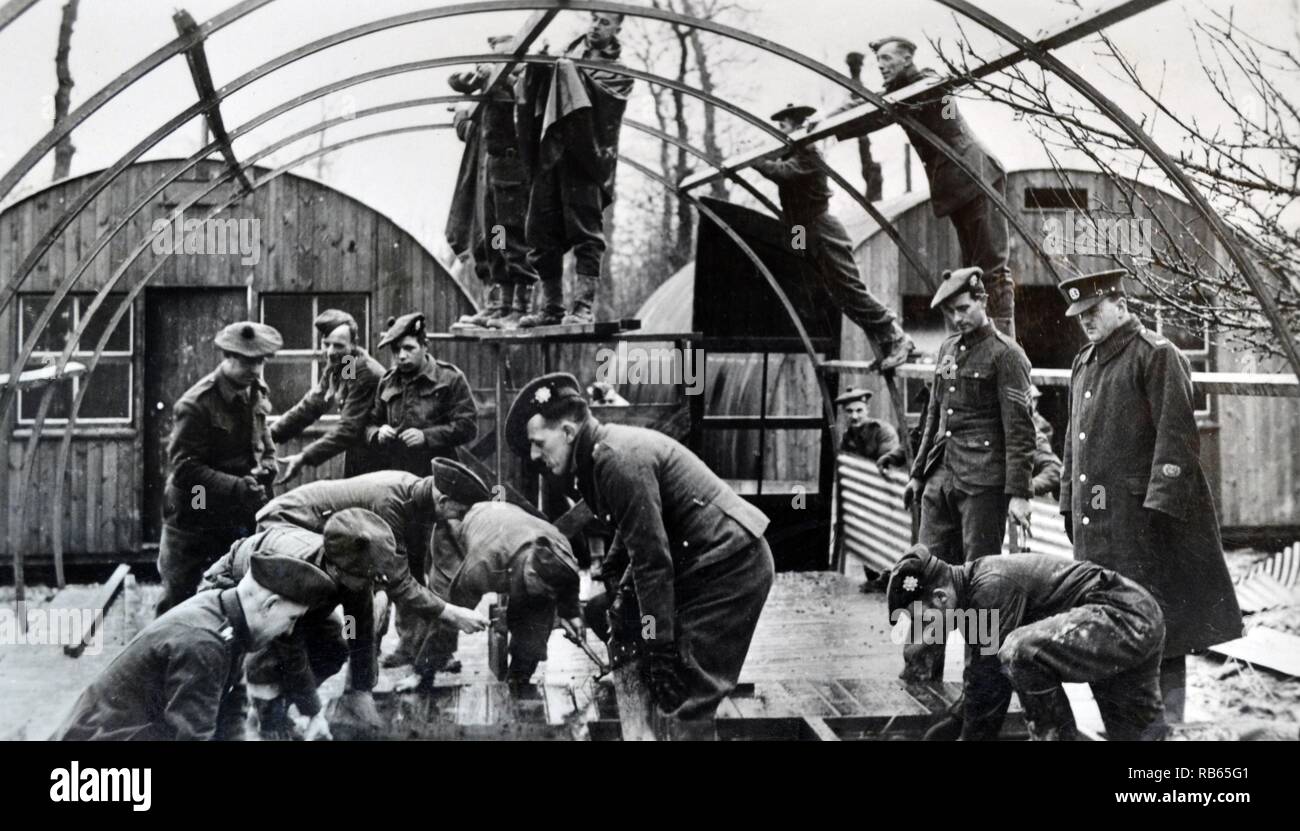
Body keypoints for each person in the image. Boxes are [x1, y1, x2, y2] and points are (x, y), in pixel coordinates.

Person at [505, 373, 774, 722]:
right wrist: (619, 589)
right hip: (703, 562)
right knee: (612, 614)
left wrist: (659, 647)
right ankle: (640, 718)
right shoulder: (597, 458)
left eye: (539, 443)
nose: (533, 454)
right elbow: (632, 535)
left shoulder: (615, 460)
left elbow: (652, 561)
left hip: (731, 568)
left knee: (685, 697)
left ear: (569, 433)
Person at [1058, 269, 1241, 720]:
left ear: (1121, 305)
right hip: (1098, 528)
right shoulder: (1085, 363)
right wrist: (1068, 503)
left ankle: (1165, 726)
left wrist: (1158, 514)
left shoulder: (1156, 356)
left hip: (1143, 529)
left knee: (1159, 626)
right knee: (1107, 624)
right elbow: (1072, 444)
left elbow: (1176, 440)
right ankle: (1122, 725)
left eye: (1093, 310)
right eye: (1079, 315)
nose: (1086, 321)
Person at [902, 267, 1036, 680]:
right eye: (951, 313)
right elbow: (933, 414)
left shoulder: (1006, 355)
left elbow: (1020, 429)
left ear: (982, 301)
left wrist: (1019, 492)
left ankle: (981, 678)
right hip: (940, 480)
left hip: (983, 486)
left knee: (981, 583)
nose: (957, 319)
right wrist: (918, 471)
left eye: (963, 309)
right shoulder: (946, 351)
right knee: (927, 576)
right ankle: (921, 669)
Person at [886, 544, 1167, 741]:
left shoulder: (988, 589)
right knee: (1138, 736)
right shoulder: (973, 590)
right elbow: (980, 676)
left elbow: (989, 681)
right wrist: (957, 720)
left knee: (1019, 652)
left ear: (940, 597)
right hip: (1133, 616)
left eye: (925, 619)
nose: (929, 629)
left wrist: (965, 733)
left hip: (1121, 616)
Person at [53, 553, 334, 741]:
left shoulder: (225, 613)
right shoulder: (205, 644)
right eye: (292, 619)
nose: (289, 630)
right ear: (269, 605)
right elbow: (192, 735)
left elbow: (232, 706)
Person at [199, 508, 424, 740]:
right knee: (267, 663)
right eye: (370, 577)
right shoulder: (298, 574)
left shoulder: (353, 569)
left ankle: (280, 704)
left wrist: (361, 688)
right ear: (337, 570)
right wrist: (314, 711)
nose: (375, 583)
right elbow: (291, 648)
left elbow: (357, 626)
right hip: (234, 586)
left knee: (335, 646)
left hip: (302, 601)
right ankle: (267, 720)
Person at [255, 460, 492, 668]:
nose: (458, 519)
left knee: (356, 605)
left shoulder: (414, 494)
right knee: (300, 617)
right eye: (459, 512)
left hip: (312, 531)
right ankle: (272, 692)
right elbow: (400, 581)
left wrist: (381, 589)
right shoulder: (392, 503)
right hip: (285, 524)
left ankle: (350, 688)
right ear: (444, 501)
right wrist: (451, 613)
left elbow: (393, 567)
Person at [865, 37, 1015, 338]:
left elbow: (940, 89)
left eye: (886, 58)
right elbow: (866, 110)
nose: (880, 65)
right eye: (877, 60)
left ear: (907, 59)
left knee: (991, 268)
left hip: (974, 175)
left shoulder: (925, 82)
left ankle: (1006, 349)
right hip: (957, 186)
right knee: (975, 271)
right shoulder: (897, 95)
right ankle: (986, 343)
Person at [753, 103, 914, 370]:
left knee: (849, 288)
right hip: (800, 229)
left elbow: (782, 174)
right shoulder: (791, 154)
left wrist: (754, 162)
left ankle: (897, 337)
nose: (779, 132)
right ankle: (884, 344)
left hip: (821, 228)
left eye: (783, 126)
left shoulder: (808, 152)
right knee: (837, 296)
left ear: (797, 126)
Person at [156, 321, 282, 617]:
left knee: (234, 591)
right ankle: (164, 657)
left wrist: (268, 462)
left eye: (260, 361)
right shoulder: (197, 404)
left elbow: (264, 434)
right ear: (227, 358)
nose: (255, 368)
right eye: (248, 361)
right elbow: (186, 468)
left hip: (236, 511)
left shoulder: (255, 390)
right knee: (179, 596)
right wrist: (237, 486)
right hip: (195, 510)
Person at [516, 11, 633, 327]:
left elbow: (605, 106)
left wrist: (569, 75)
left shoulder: (618, 72)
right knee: (539, 228)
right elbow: (540, 92)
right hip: (552, 153)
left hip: (586, 160)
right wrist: (540, 70)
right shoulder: (568, 56)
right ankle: (551, 307)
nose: (596, 25)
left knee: (585, 228)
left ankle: (583, 306)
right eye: (594, 19)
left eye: (605, 22)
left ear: (618, 28)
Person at [408, 500, 583, 691]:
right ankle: (423, 669)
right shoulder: (482, 565)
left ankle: (519, 677)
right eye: (546, 589)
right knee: (444, 600)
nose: (550, 595)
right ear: (531, 572)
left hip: (513, 525)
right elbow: (451, 616)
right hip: (458, 530)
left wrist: (571, 613)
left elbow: (568, 582)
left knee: (537, 615)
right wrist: (423, 673)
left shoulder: (560, 549)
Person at [446, 34, 536, 330]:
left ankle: (521, 306)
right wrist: (464, 83)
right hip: (495, 174)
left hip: (514, 173)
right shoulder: (492, 88)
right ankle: (500, 305)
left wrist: (501, 78)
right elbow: (468, 126)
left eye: (502, 57)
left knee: (513, 237)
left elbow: (523, 106)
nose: (495, 63)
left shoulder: (525, 80)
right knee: (495, 238)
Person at [271, 309, 385, 482]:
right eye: (326, 344)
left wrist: (304, 457)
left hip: (380, 459)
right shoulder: (347, 363)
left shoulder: (364, 372)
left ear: (354, 343)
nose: (330, 352)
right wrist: (269, 434)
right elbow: (314, 403)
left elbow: (348, 430)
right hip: (359, 452)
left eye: (338, 345)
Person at [366, 312, 478, 476]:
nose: (402, 356)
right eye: (396, 350)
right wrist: (378, 433)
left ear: (425, 346)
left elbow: (468, 426)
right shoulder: (387, 382)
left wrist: (427, 437)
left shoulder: (449, 378)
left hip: (437, 472)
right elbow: (369, 423)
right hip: (395, 473)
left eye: (409, 348)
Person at [836, 387, 905, 472]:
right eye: (849, 411)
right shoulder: (847, 436)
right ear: (843, 412)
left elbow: (888, 464)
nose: (854, 416)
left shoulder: (883, 431)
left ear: (867, 410)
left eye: (859, 410)